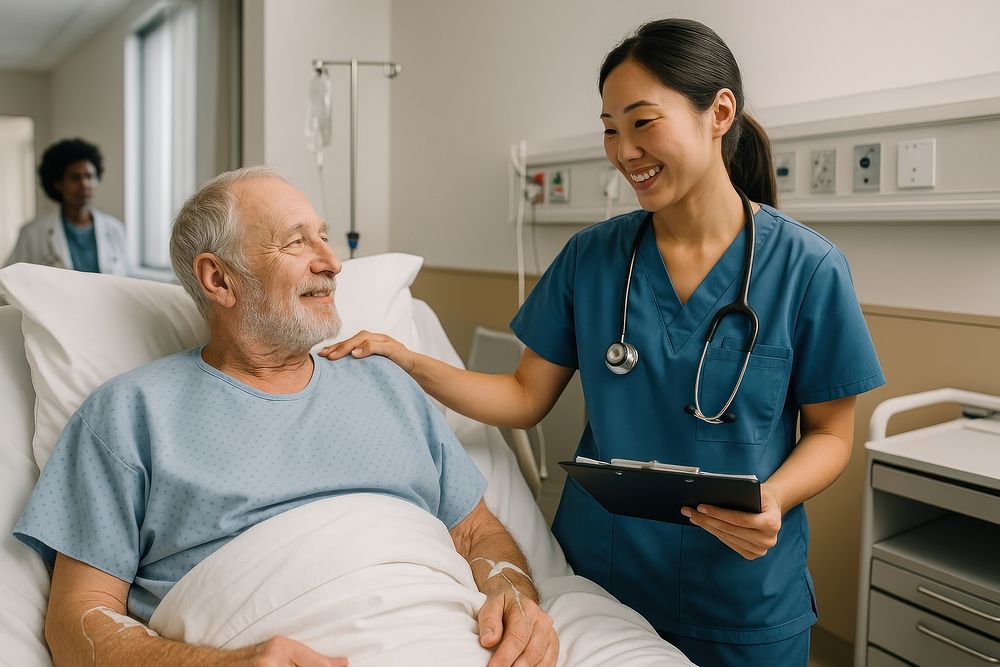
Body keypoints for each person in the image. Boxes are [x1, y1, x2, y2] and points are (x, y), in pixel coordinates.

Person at [323, 18, 885, 666]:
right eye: (610, 129)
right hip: (599, 582)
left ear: (719, 112)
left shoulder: (808, 269)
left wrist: (774, 499)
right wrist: (406, 356)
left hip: (740, 595)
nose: (623, 151)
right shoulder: (593, 258)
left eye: (643, 122)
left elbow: (831, 434)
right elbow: (522, 395)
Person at [13, 167, 557, 666]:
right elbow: (78, 620)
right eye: (297, 242)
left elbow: (477, 532)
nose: (331, 261)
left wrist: (514, 597)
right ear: (219, 280)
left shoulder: (387, 383)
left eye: (323, 235)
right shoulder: (128, 415)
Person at [3, 138, 127, 274]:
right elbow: (10, 279)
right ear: (58, 184)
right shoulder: (32, 233)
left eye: (89, 176)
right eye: (75, 177)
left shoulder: (115, 229)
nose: (84, 184)